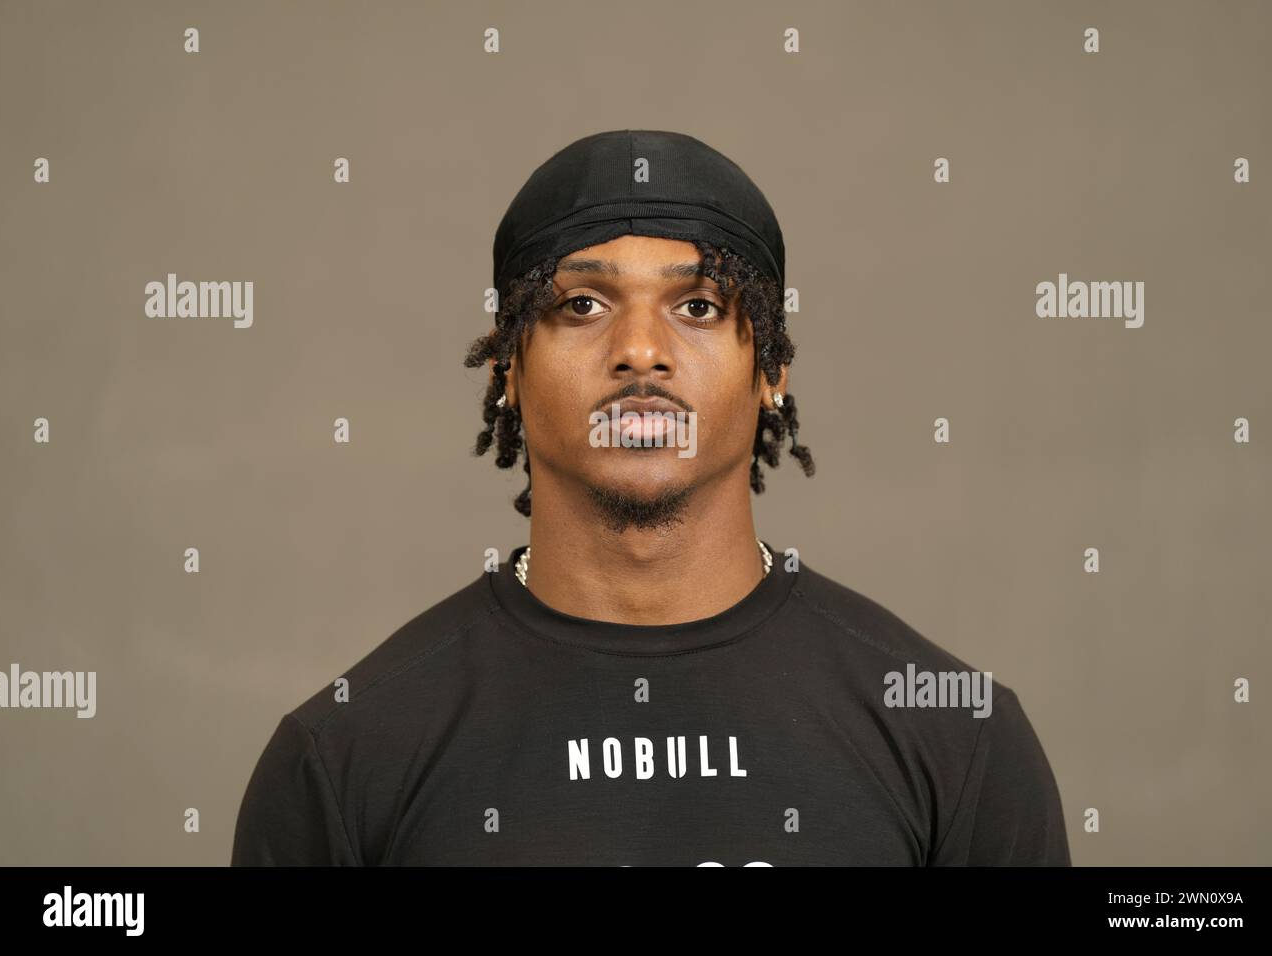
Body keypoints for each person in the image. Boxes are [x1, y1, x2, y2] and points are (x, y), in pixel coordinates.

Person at [230, 129, 1070, 866]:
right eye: (583, 305)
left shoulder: (956, 738)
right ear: (508, 371)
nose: (639, 350)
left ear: (770, 370)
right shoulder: (346, 755)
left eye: (699, 306)